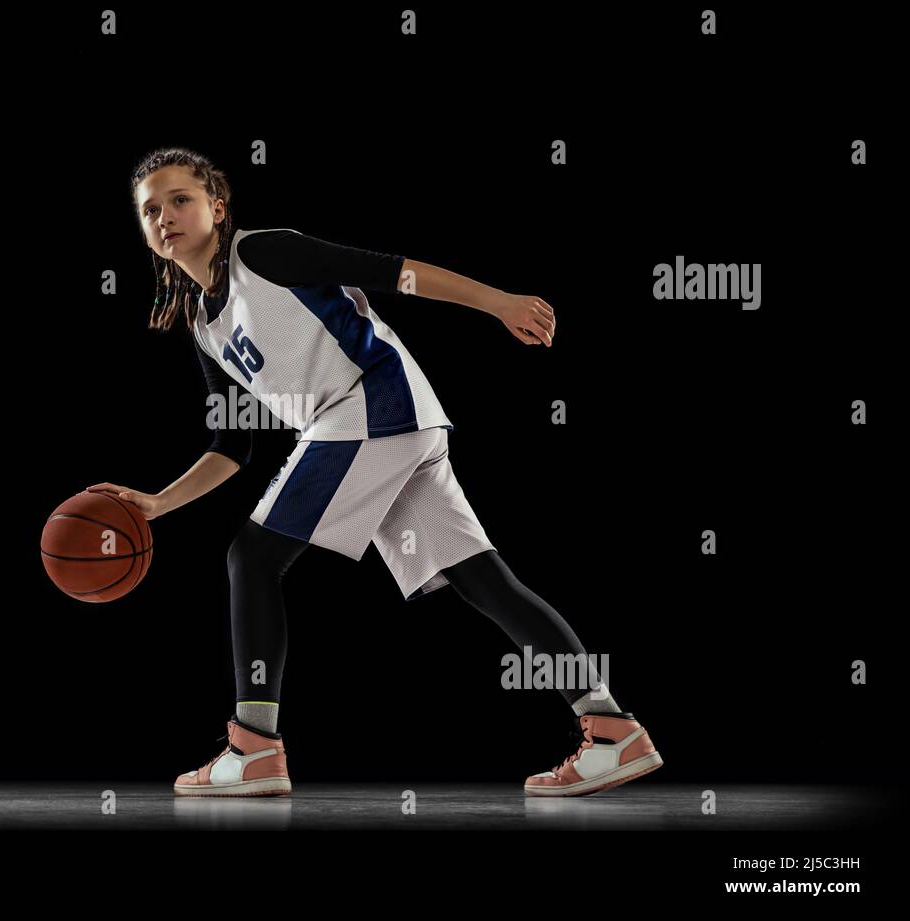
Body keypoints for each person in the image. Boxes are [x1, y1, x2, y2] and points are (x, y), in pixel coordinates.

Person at [88, 147, 662, 798]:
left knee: (252, 554)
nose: (165, 215)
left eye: (180, 199)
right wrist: (159, 501)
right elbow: (233, 443)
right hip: (390, 425)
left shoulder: (264, 253)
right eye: (150, 209)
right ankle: (614, 730)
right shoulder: (200, 322)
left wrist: (498, 301)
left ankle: (253, 748)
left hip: (371, 407)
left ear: (217, 207)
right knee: (483, 580)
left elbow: (393, 272)